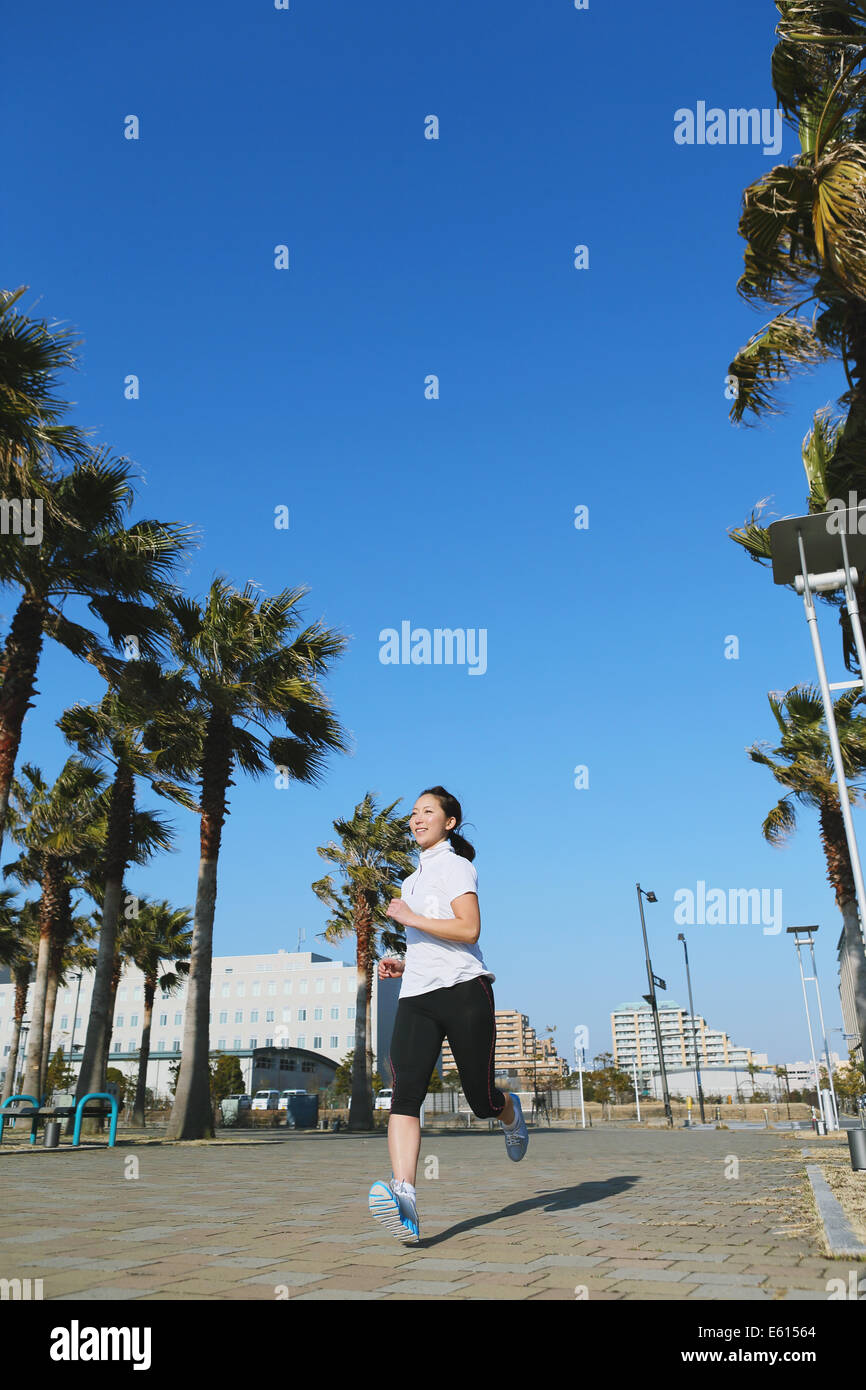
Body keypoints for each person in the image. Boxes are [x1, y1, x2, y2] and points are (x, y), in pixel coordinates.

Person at [367, 785, 528, 1244]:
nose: (417, 819)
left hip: (463, 991)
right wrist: (404, 961)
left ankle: (508, 1111)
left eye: (428, 812)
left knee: (480, 1101)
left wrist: (411, 920)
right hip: (417, 995)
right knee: (404, 1094)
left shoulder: (457, 865)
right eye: (414, 813)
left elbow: (469, 928)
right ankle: (405, 1199)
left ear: (449, 822)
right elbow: (429, 939)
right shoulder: (410, 881)